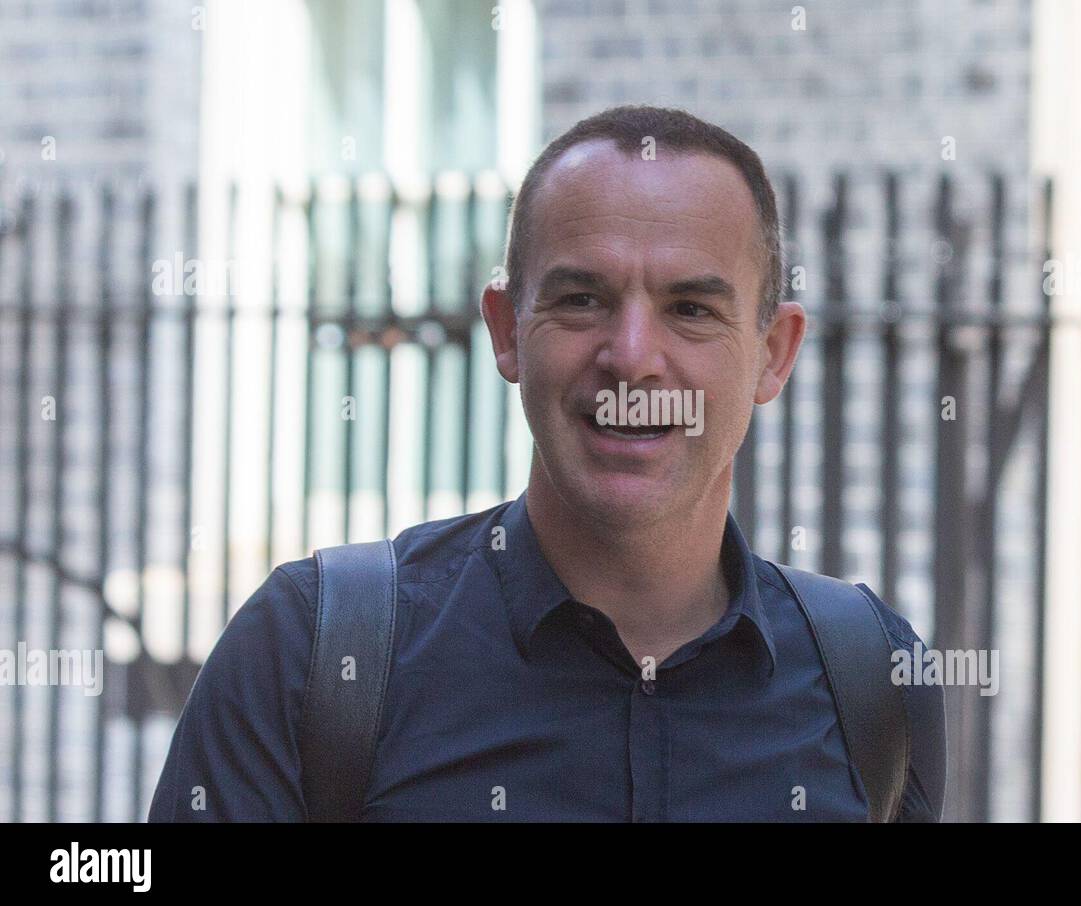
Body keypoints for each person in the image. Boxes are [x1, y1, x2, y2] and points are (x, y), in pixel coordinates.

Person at [148, 104, 945, 822]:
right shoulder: (313, 655)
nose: (632, 360)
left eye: (691, 309)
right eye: (581, 299)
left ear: (774, 355)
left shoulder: (873, 682)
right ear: (505, 330)